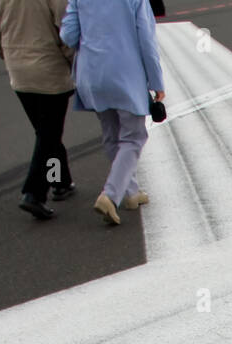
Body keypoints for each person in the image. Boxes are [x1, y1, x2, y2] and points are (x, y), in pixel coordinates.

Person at [60, 0, 165, 226]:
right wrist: (156, 81)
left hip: (92, 75)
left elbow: (68, 36)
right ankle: (110, 195)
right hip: (126, 74)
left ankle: (131, 192)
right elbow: (146, 41)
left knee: (111, 134)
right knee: (134, 137)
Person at [0, 0, 77, 221]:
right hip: (49, 70)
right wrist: (74, 62)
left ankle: (60, 180)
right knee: (49, 134)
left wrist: (10, 57)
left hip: (19, 72)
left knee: (46, 131)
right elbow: (65, 31)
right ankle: (34, 193)